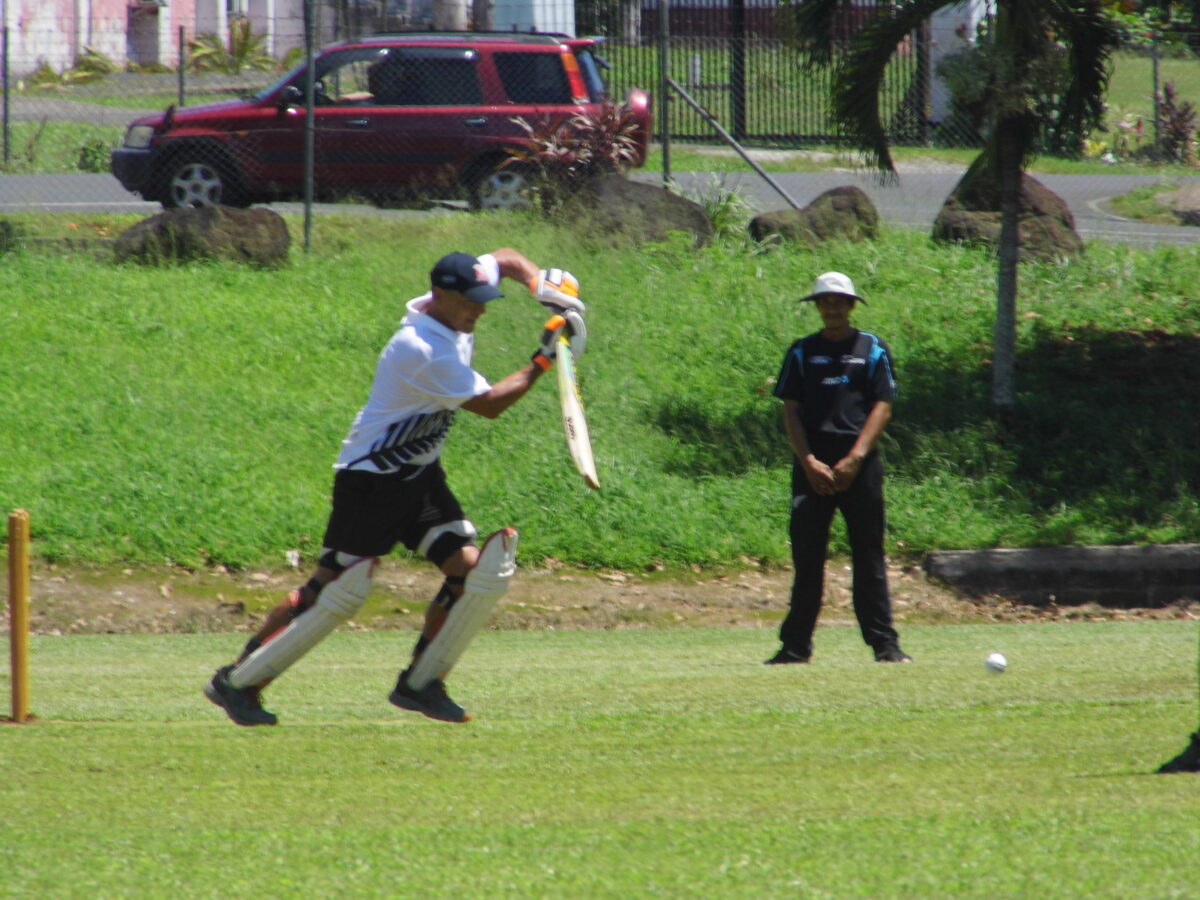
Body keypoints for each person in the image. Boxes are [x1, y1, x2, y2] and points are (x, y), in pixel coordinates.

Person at [204, 249, 585, 726]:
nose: (481, 310)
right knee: (336, 588)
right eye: (471, 302)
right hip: (372, 480)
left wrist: (542, 288)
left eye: (483, 300)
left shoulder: (454, 300)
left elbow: (505, 259)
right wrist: (543, 360)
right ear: (441, 296)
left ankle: (421, 685)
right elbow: (489, 405)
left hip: (419, 474)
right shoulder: (421, 348)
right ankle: (237, 682)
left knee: (473, 573)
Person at [765, 271, 911, 665]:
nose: (831, 308)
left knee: (869, 557)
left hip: (859, 468)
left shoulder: (871, 348)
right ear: (816, 306)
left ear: (851, 305)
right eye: (824, 301)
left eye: (838, 301)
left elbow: (882, 405)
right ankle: (795, 647)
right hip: (813, 468)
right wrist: (808, 460)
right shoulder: (801, 351)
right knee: (808, 560)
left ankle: (885, 644)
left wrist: (856, 458)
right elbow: (790, 409)